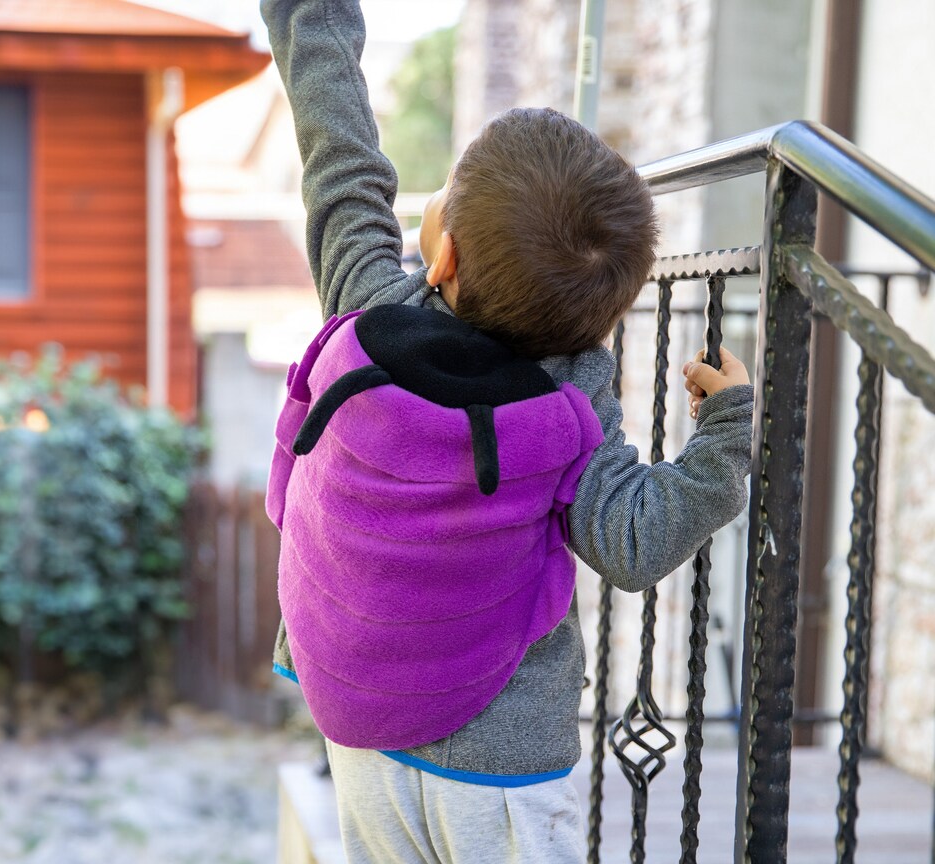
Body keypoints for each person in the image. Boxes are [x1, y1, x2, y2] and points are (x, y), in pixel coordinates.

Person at [260, 0, 754, 861]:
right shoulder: (566, 399)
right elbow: (634, 539)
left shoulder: (371, 302)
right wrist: (724, 430)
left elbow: (338, 156)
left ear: (442, 255)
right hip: (504, 767)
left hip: (360, 723)